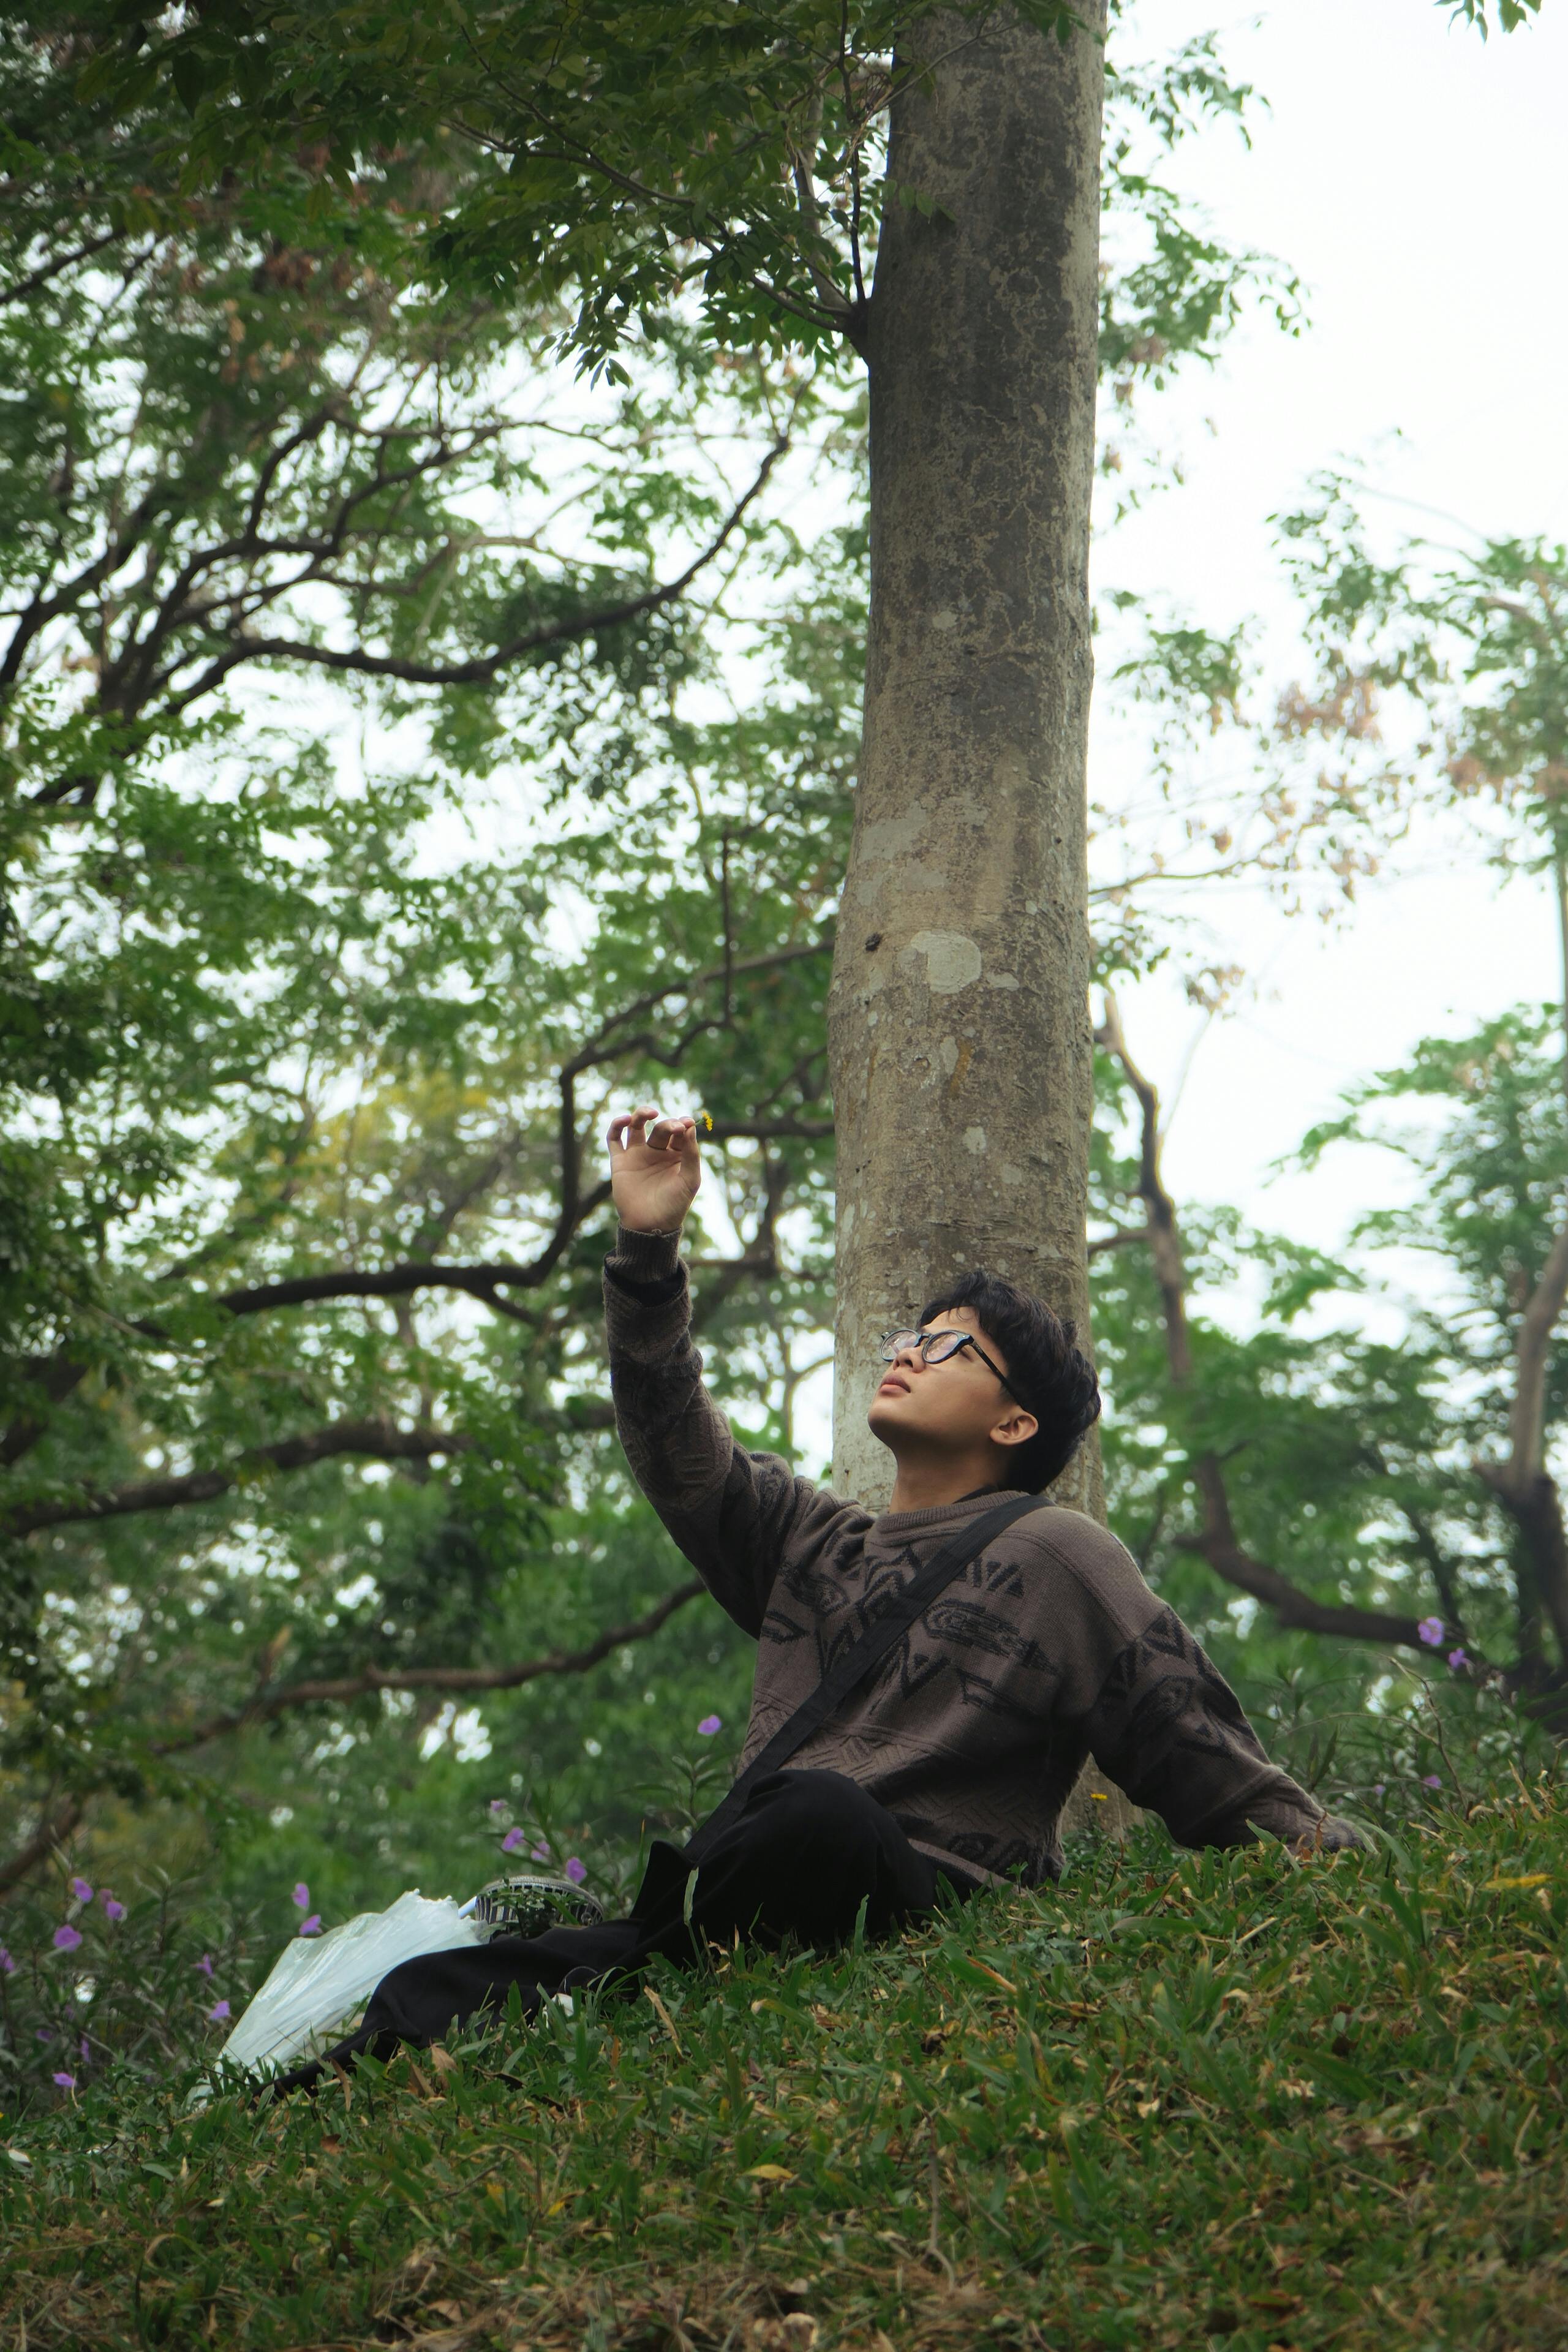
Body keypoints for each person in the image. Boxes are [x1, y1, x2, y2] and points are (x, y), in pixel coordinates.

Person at [268, 1107, 1353, 2094]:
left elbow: (1190, 1738)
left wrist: (1316, 1851)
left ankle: (658, 1969)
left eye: (948, 1347)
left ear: (1015, 1424)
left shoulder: (1059, 1555)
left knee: (819, 1812)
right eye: (910, 1335)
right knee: (441, 1983)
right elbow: (673, 1443)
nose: (909, 1352)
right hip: (747, 1882)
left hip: (921, 1897)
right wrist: (648, 1248)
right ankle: (310, 2105)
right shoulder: (810, 1540)